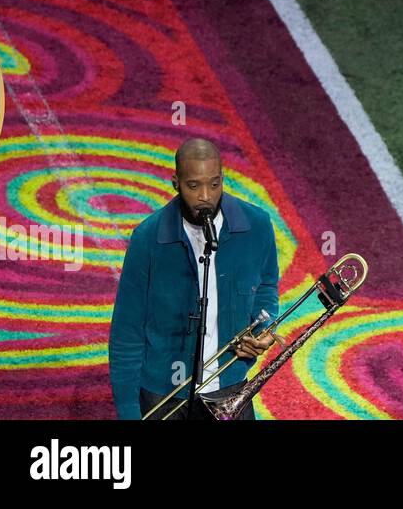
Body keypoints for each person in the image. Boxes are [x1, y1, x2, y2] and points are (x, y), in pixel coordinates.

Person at [109, 138, 280, 419]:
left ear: (223, 178)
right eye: (193, 185)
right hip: (163, 394)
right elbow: (127, 333)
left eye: (214, 184)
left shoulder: (257, 226)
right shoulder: (147, 239)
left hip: (230, 386)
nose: (205, 196)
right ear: (176, 183)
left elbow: (265, 287)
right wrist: (129, 412)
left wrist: (263, 326)